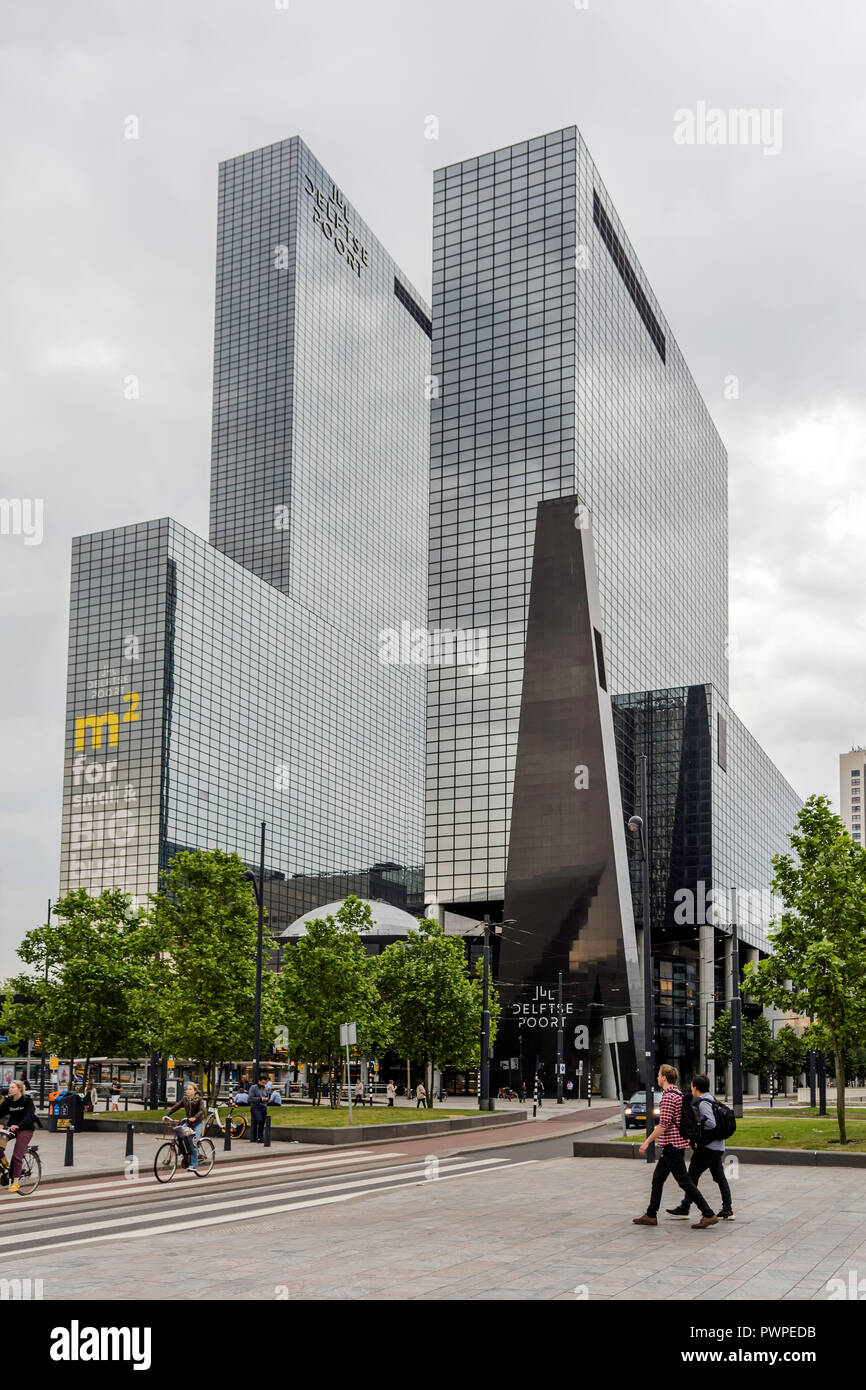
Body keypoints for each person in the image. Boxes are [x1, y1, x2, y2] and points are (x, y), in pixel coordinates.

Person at [633, 1064, 718, 1229]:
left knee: (685, 1182)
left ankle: (708, 1214)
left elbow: (663, 1125)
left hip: (672, 1146)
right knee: (658, 1179)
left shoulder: (668, 1097)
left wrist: (647, 1141)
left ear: (664, 1077)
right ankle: (651, 1214)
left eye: (659, 1075)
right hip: (673, 1145)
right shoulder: (678, 1093)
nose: (657, 1077)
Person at [666, 1074, 734, 1221]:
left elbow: (711, 1123)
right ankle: (727, 1208)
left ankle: (685, 1207)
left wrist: (698, 1126)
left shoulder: (703, 1102)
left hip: (708, 1148)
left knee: (691, 1177)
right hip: (718, 1146)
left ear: (695, 1087)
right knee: (720, 1177)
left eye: (691, 1085)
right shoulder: (712, 1098)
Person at [0, 1079, 38, 1194]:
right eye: (10, 1087)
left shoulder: (27, 1101)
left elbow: (29, 1117)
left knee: (17, 1155)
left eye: (13, 1087)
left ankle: (15, 1182)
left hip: (25, 1129)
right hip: (12, 1128)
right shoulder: (9, 1100)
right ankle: (5, 1164)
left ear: (20, 1089)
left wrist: (18, 1125)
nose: (10, 1089)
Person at [165, 1083, 207, 1174]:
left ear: (195, 1091)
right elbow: (176, 1106)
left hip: (198, 1123)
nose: (188, 1090)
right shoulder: (185, 1099)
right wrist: (167, 1115)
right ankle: (185, 1154)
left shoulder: (199, 1099)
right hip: (188, 1122)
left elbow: (201, 1110)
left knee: (193, 1141)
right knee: (179, 1132)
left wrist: (195, 1117)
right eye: (187, 1089)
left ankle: (194, 1164)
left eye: (190, 1089)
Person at [248, 1075, 267, 1142]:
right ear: (259, 1081)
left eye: (265, 1083)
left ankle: (260, 1138)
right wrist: (260, 1099)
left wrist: (267, 1099)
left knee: (262, 1122)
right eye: (262, 1082)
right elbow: (250, 1098)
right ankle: (254, 1137)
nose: (264, 1084)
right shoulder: (253, 1088)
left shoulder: (265, 1088)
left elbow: (266, 1095)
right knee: (259, 1121)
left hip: (263, 1107)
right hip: (256, 1107)